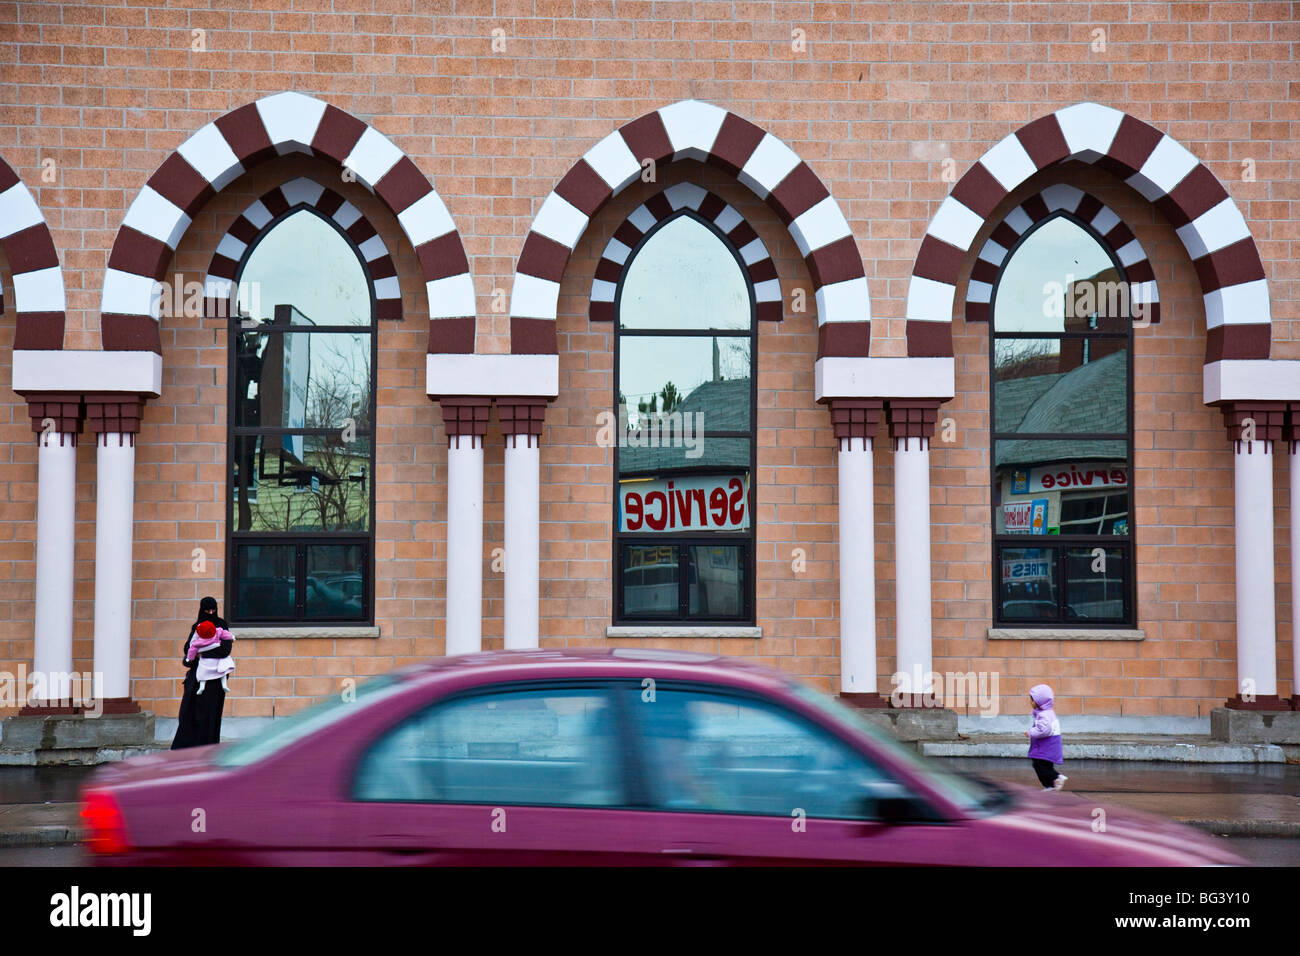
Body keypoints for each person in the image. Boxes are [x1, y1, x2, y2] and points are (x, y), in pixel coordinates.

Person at [171, 597, 234, 750]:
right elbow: (188, 650)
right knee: (187, 713)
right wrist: (195, 655)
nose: (211, 613)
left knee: (209, 717)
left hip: (215, 682)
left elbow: (225, 650)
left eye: (213, 610)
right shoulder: (197, 627)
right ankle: (185, 751)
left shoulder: (221, 625)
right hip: (196, 679)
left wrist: (201, 653)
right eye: (208, 611)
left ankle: (206, 750)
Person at [1025, 683, 1067, 791]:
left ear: (1040, 701)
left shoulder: (1045, 715)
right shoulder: (1046, 712)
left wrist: (1030, 732)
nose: (1030, 702)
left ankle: (1056, 777)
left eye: (1032, 699)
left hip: (1046, 747)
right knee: (1043, 766)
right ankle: (1049, 786)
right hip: (1048, 746)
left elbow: (1044, 730)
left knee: (1040, 765)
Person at [186, 619, 236, 695]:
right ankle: (224, 685)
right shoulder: (218, 632)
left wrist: (189, 658)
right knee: (222, 672)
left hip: (206, 661)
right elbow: (226, 634)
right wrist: (232, 637)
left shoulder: (199, 641)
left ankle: (201, 687)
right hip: (218, 658)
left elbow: (192, 650)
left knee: (203, 673)